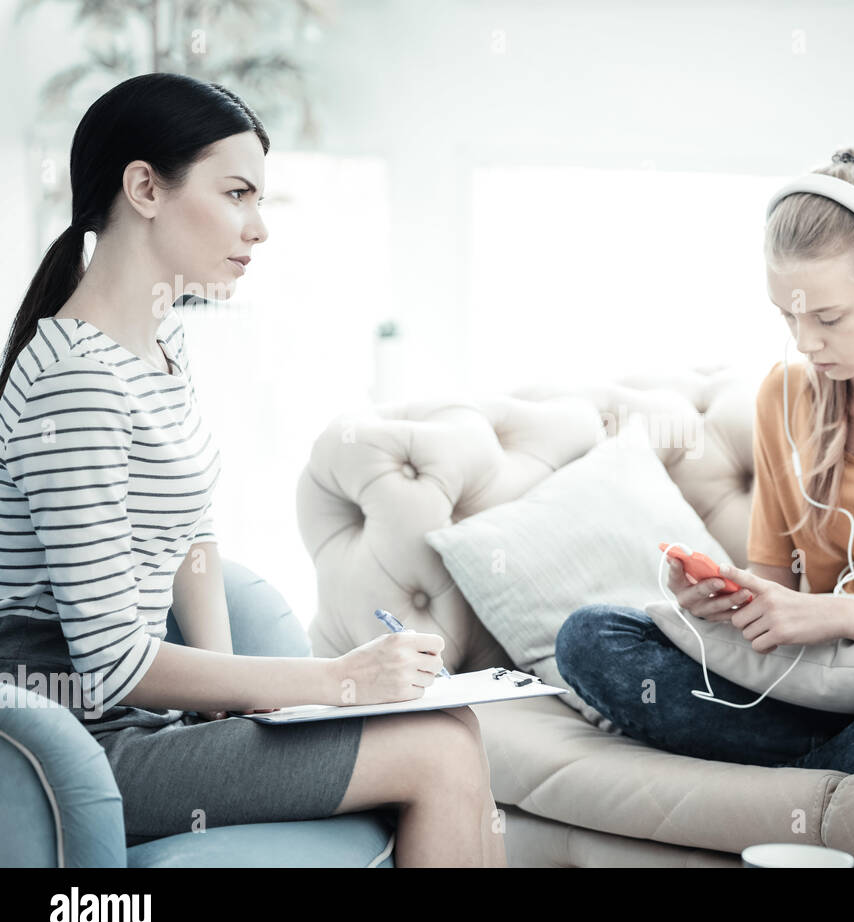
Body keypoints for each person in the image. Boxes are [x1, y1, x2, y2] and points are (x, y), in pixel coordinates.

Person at [0, 73, 504, 867]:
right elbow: (113, 663)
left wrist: (243, 698)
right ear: (144, 188)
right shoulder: (76, 381)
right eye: (237, 194)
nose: (258, 228)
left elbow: (192, 531)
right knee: (436, 753)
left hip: (143, 725)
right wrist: (336, 679)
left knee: (453, 726)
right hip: (82, 744)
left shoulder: (161, 351)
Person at [555, 145, 854, 774]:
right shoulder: (781, 397)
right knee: (591, 637)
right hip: (797, 686)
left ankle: (796, 765)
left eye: (829, 318)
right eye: (786, 315)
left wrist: (839, 613)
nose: (806, 343)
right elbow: (775, 588)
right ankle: (831, 763)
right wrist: (724, 599)